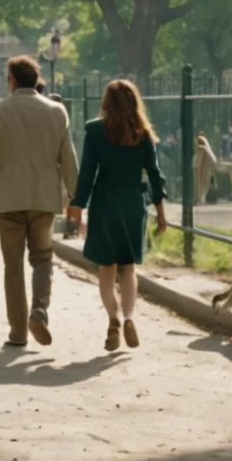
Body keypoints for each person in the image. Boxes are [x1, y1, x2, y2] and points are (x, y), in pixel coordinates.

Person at [0, 55, 78, 348]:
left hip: (9, 200)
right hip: (44, 199)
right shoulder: (57, 112)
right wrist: (76, 198)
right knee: (43, 258)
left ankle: (18, 332)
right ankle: (40, 310)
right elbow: (68, 159)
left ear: (11, 81)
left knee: (13, 267)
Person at [66, 79, 169, 351]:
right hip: (133, 204)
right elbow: (156, 175)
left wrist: (77, 204)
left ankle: (112, 318)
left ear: (106, 103)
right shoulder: (144, 135)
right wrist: (160, 210)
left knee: (106, 268)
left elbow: (88, 172)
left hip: (104, 205)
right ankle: (129, 317)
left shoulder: (96, 131)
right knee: (128, 268)